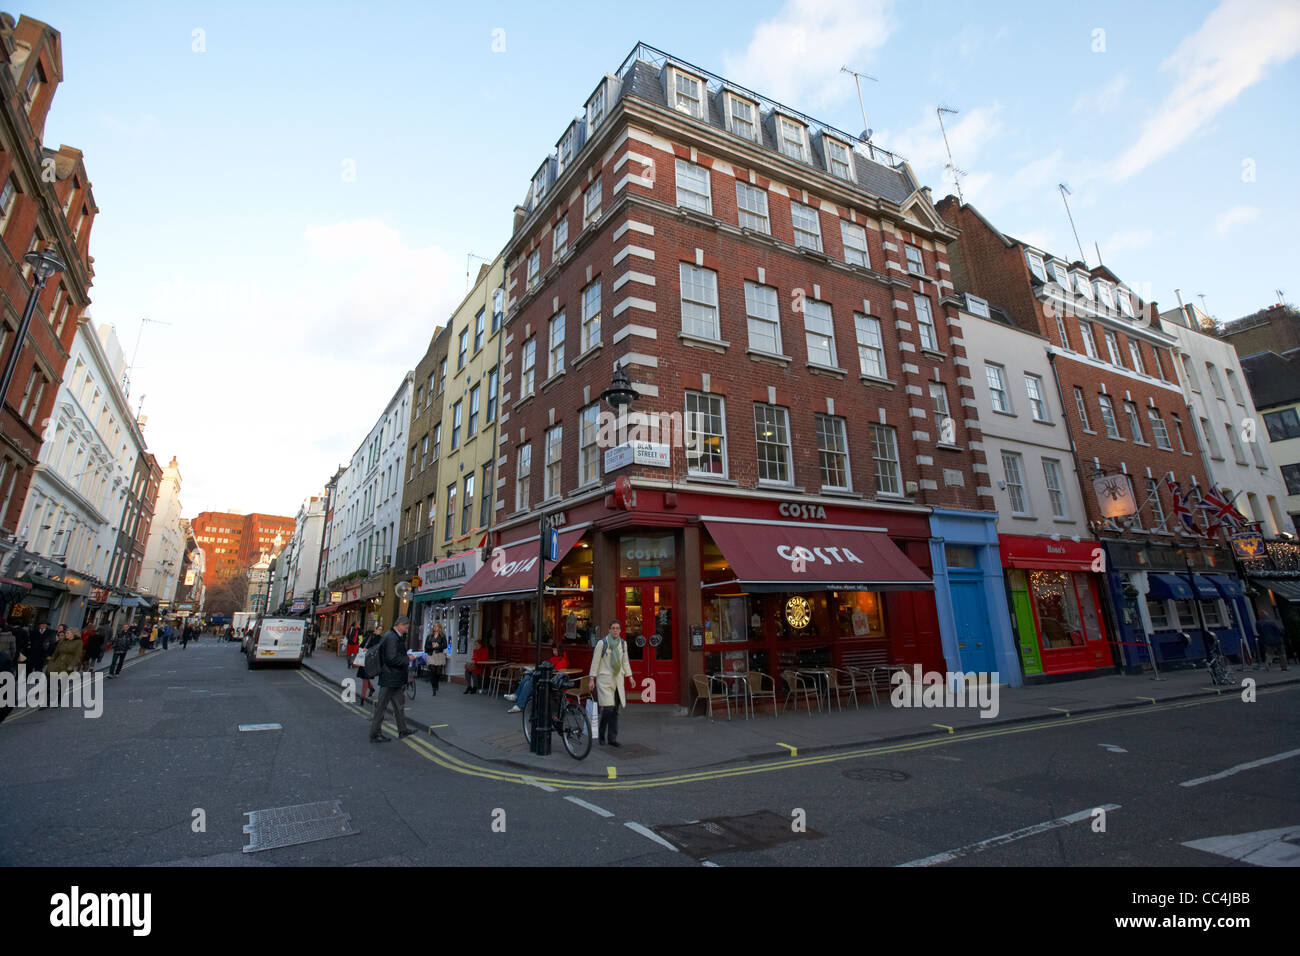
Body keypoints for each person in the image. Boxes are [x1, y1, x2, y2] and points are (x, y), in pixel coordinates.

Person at [369, 616, 415, 743]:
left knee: (399, 705)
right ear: (399, 624)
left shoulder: (393, 636)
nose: (407, 628)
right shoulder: (391, 637)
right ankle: (375, 733)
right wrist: (408, 659)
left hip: (395, 678)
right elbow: (391, 658)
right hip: (390, 678)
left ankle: (403, 730)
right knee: (382, 706)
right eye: (406, 626)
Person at [590, 621, 635, 747]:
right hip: (605, 681)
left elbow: (625, 662)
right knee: (608, 708)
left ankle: (612, 738)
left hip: (618, 681)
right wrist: (592, 678)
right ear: (609, 630)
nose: (615, 630)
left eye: (617, 628)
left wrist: (630, 677)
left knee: (615, 710)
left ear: (620, 630)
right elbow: (595, 662)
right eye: (613, 628)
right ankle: (601, 732)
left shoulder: (623, 644)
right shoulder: (602, 643)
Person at [506, 639, 569, 715]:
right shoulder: (553, 659)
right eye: (553, 650)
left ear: (560, 650)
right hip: (546, 678)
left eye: (555, 650)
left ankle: (519, 704)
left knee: (529, 682)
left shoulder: (563, 661)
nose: (554, 652)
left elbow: (556, 672)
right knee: (527, 677)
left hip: (551, 681)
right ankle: (516, 697)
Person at [353, 628, 379, 705]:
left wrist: (367, 650)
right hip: (363, 660)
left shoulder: (378, 639)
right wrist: (363, 649)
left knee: (365, 678)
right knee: (365, 678)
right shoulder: (368, 638)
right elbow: (360, 646)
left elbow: (377, 650)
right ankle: (371, 689)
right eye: (378, 630)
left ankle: (362, 697)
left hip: (369, 662)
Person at [424, 622, 448, 695]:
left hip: (439, 655)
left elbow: (445, 646)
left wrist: (438, 646)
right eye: (434, 626)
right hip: (431, 654)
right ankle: (433, 688)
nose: (435, 628)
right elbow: (426, 646)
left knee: (438, 672)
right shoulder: (429, 636)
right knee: (432, 671)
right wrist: (432, 647)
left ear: (439, 628)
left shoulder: (442, 636)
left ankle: (436, 682)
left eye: (437, 626)